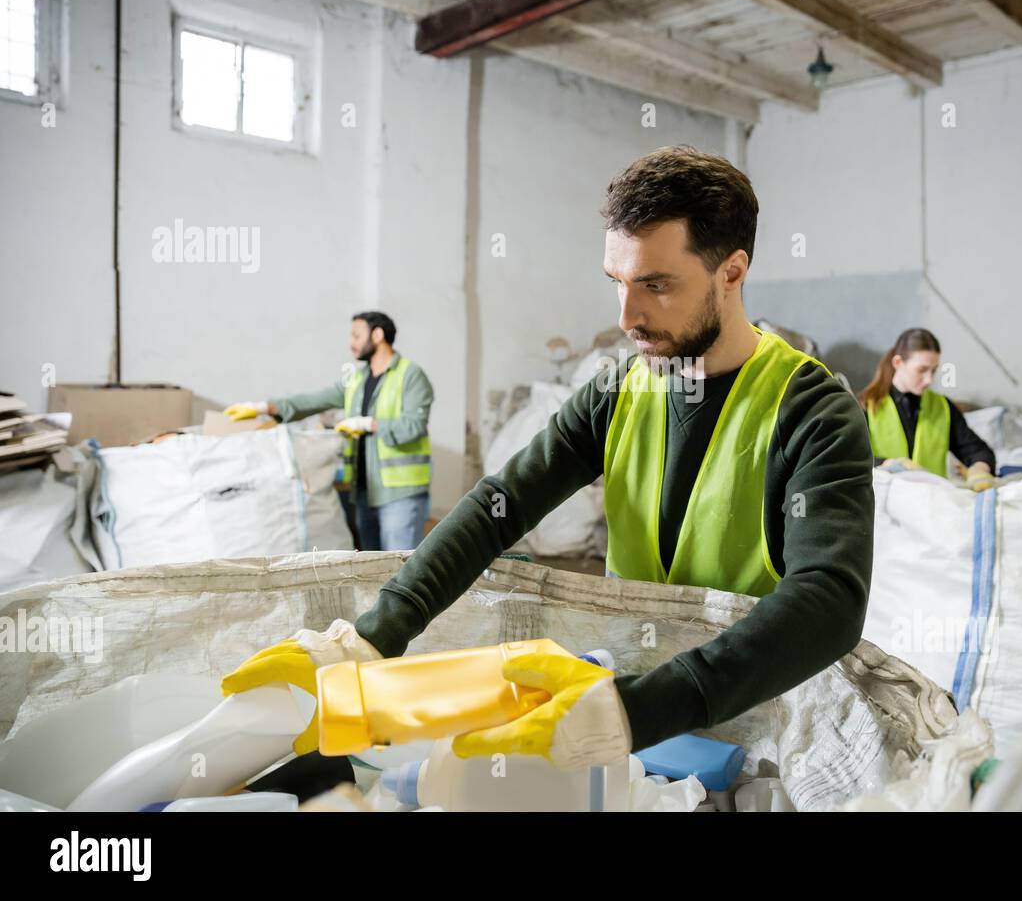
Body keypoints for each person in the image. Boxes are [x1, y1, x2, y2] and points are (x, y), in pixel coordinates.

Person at [221, 146, 874, 772]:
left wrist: (630, 713)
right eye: (616, 282)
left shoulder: (810, 410)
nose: (627, 316)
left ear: (731, 272)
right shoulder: (618, 393)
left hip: (747, 713)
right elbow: (497, 507)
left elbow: (829, 600)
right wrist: (370, 635)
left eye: (655, 284)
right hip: (623, 703)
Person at [223, 311, 433, 551]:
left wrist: (367, 424)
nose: (350, 343)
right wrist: (265, 407)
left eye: (356, 335)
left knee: (400, 569)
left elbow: (414, 426)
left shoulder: (410, 376)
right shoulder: (357, 379)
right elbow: (314, 400)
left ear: (377, 335)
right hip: (365, 492)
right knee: (374, 570)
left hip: (400, 494)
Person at [858, 327, 996, 490]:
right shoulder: (865, 407)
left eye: (934, 370)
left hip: (931, 506)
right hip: (882, 506)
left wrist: (979, 469)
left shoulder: (943, 407)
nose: (929, 379)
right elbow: (849, 459)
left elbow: (978, 451)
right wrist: (887, 464)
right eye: (922, 370)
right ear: (898, 363)